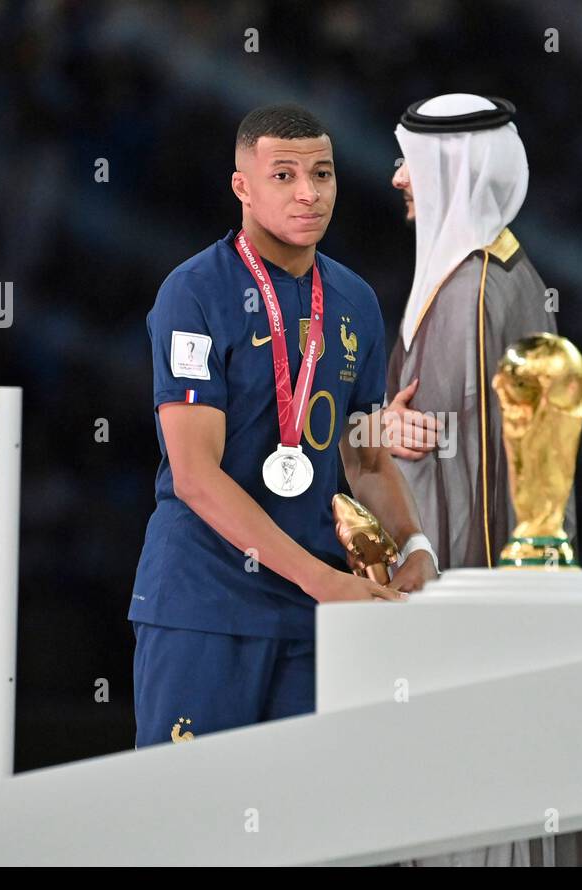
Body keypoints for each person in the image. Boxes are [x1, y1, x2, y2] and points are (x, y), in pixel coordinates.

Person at [128, 103, 438, 749]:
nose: (309, 193)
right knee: (191, 822)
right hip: (208, 603)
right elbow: (193, 477)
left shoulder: (353, 300)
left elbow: (368, 457)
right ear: (242, 186)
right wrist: (323, 580)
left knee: (306, 827)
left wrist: (416, 547)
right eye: (285, 176)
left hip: (314, 617)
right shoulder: (194, 293)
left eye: (323, 175)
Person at [383, 93, 582, 867]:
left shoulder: (469, 292)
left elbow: (460, 475)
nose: (400, 178)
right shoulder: (510, 271)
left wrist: (369, 442)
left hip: (467, 615)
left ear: (452, 170)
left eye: (412, 162)